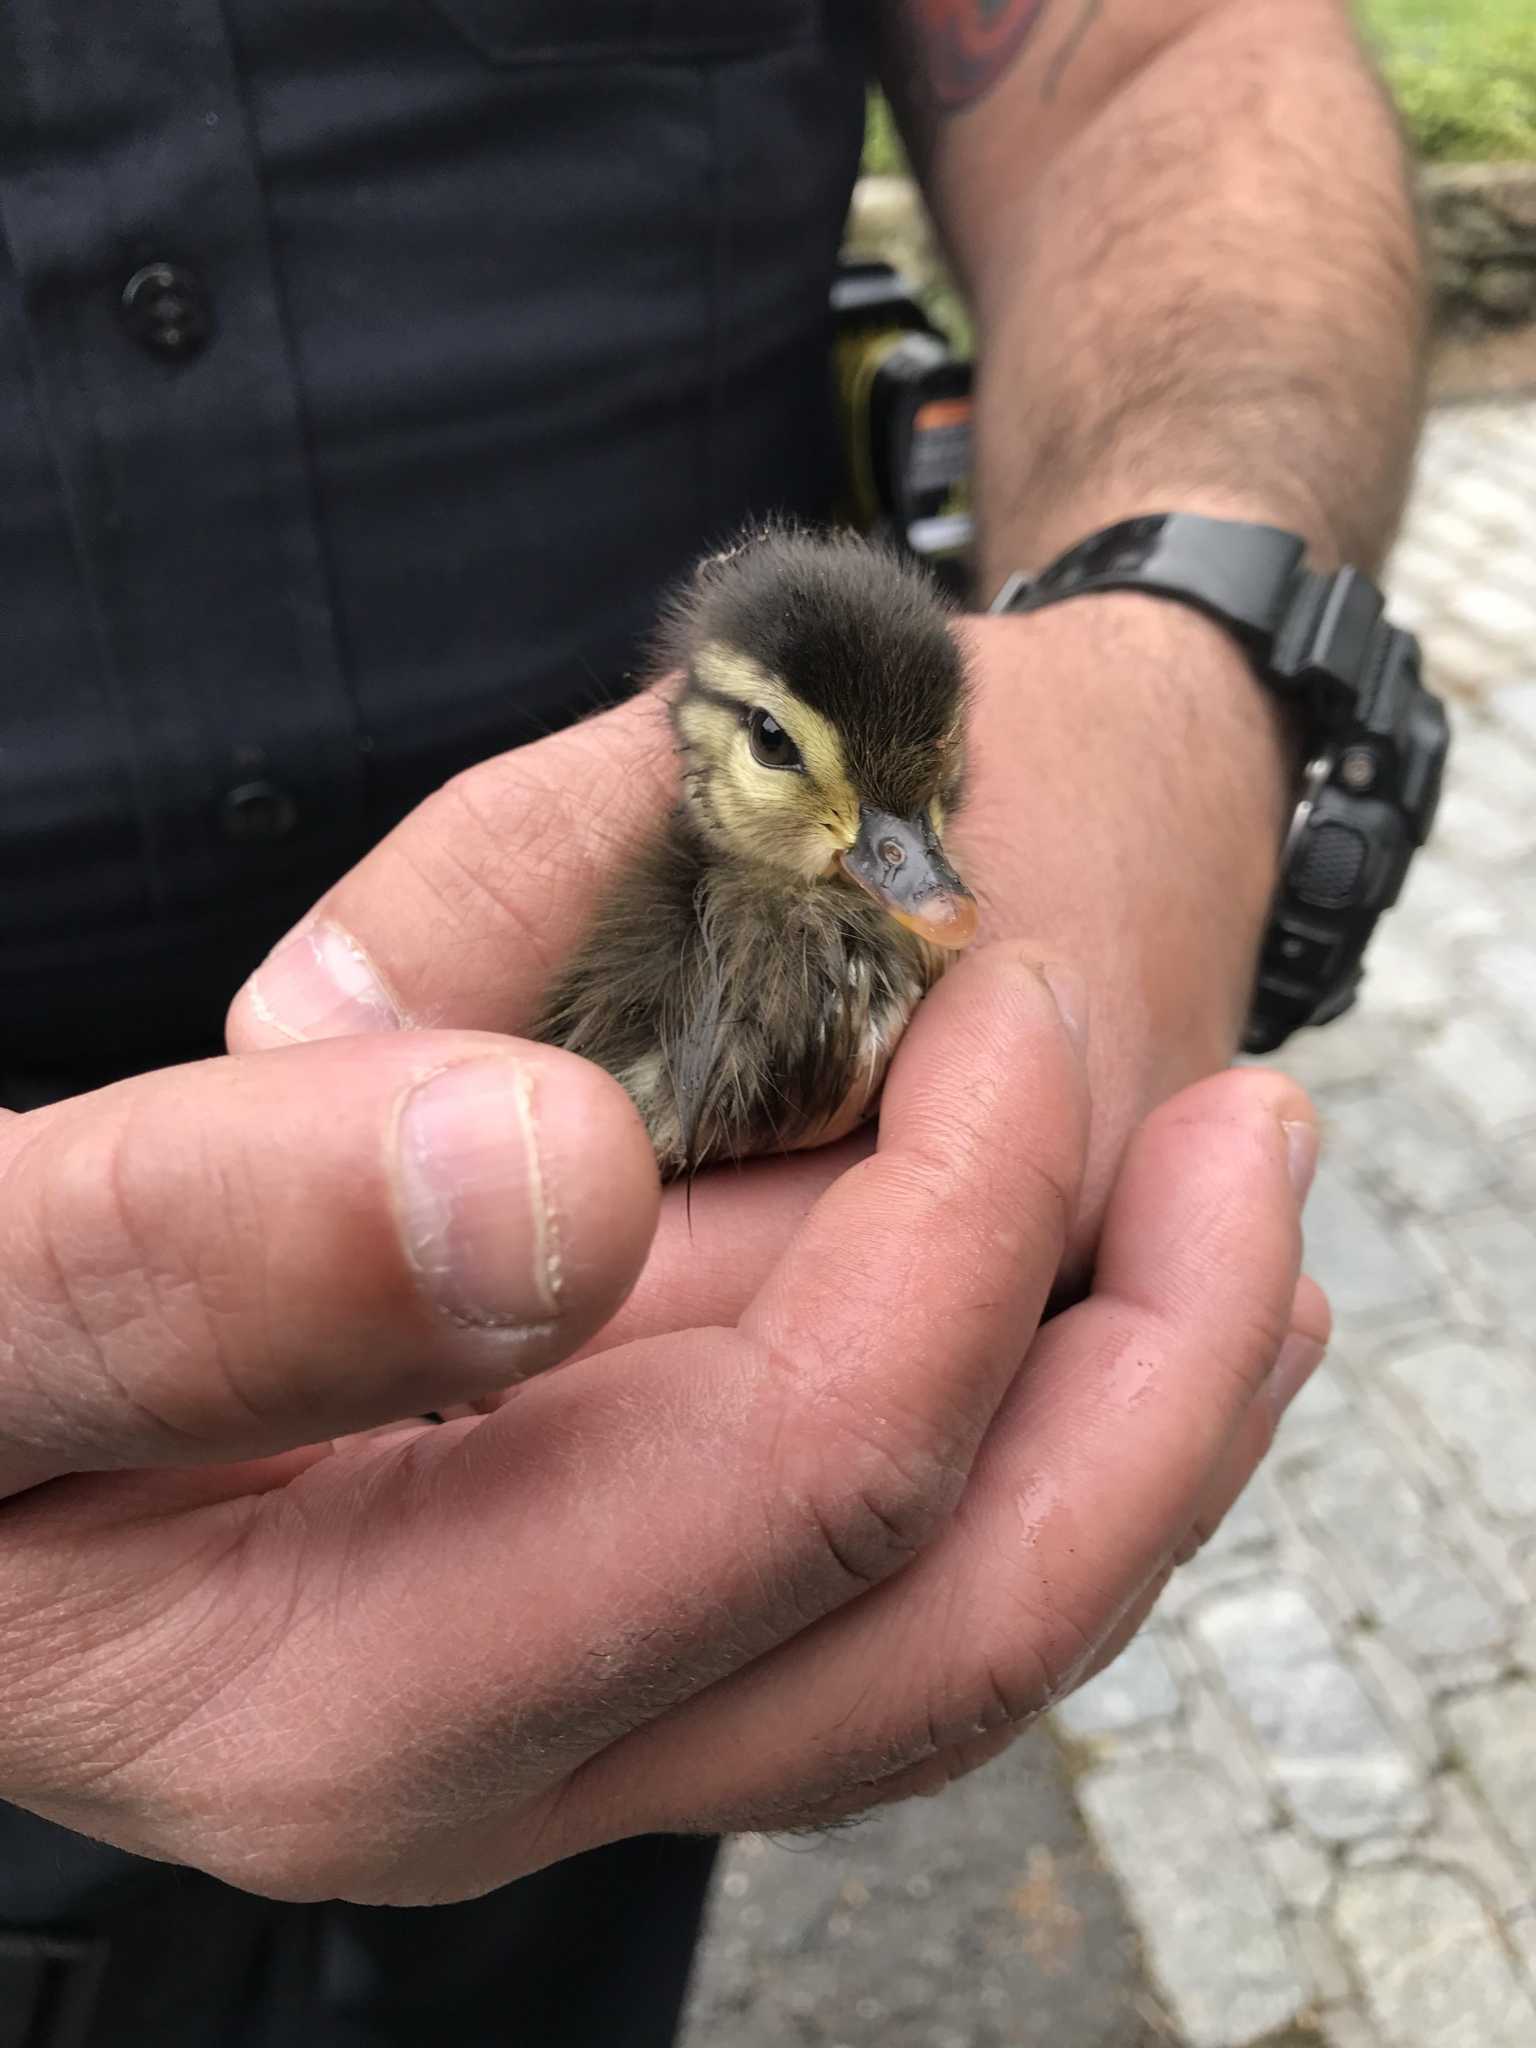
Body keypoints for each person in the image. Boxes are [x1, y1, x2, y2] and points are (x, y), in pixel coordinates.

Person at [0, 0, 1419, 2041]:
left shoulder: (844, 867)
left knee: (554, 1927)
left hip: (647, 1408)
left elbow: (1166, 49)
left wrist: (1192, 664)